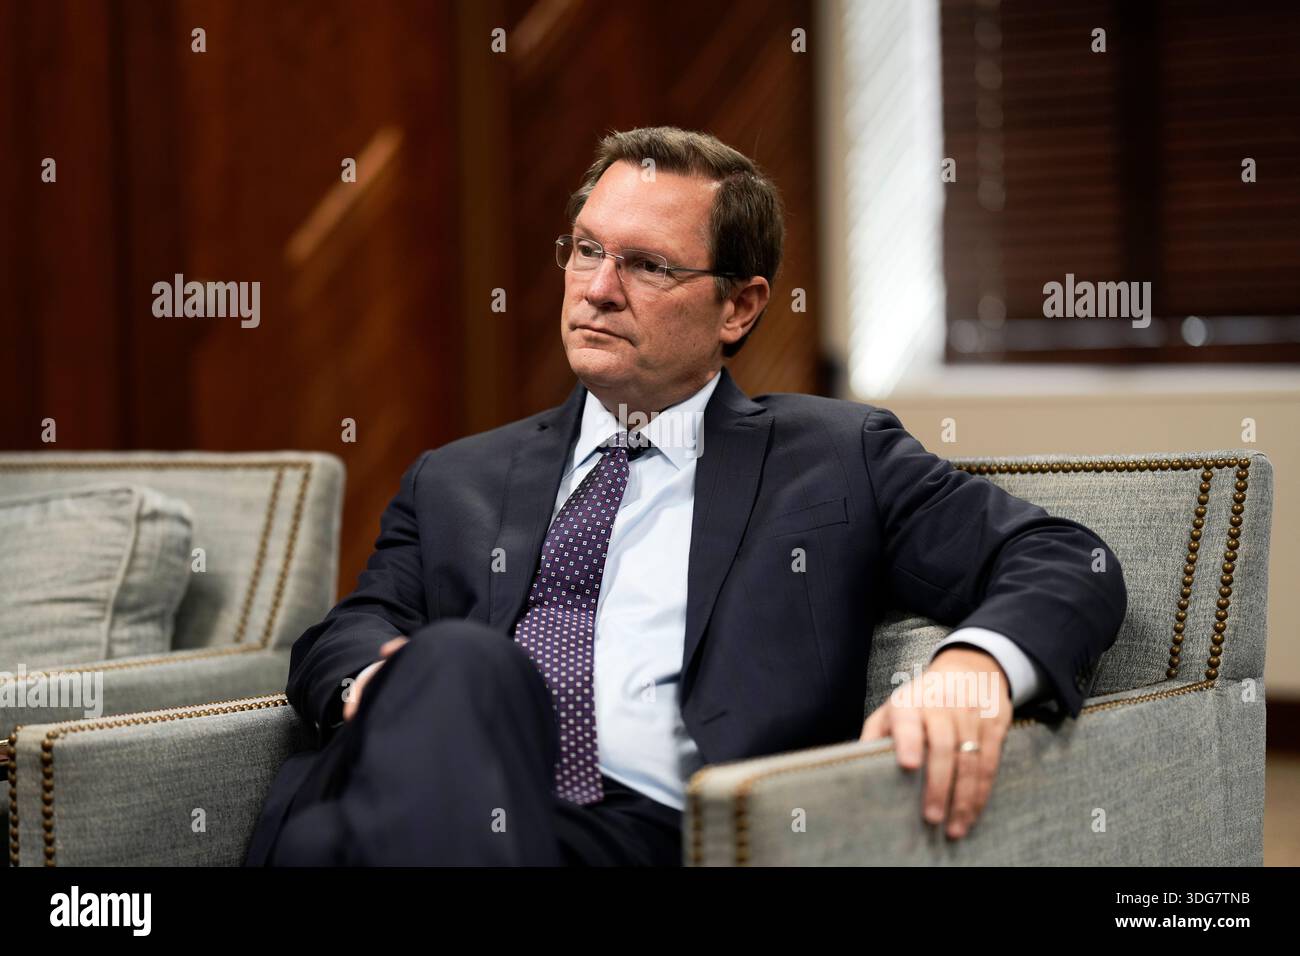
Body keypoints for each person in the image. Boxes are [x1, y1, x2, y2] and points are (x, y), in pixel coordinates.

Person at [244, 125, 1126, 867]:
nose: (595, 288)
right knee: (444, 683)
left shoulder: (834, 457)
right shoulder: (457, 477)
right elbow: (347, 631)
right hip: (409, 800)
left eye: (647, 266)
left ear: (738, 308)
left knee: (434, 705)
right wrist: (388, 686)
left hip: (631, 833)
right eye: (587, 250)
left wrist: (975, 668)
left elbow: (1062, 557)